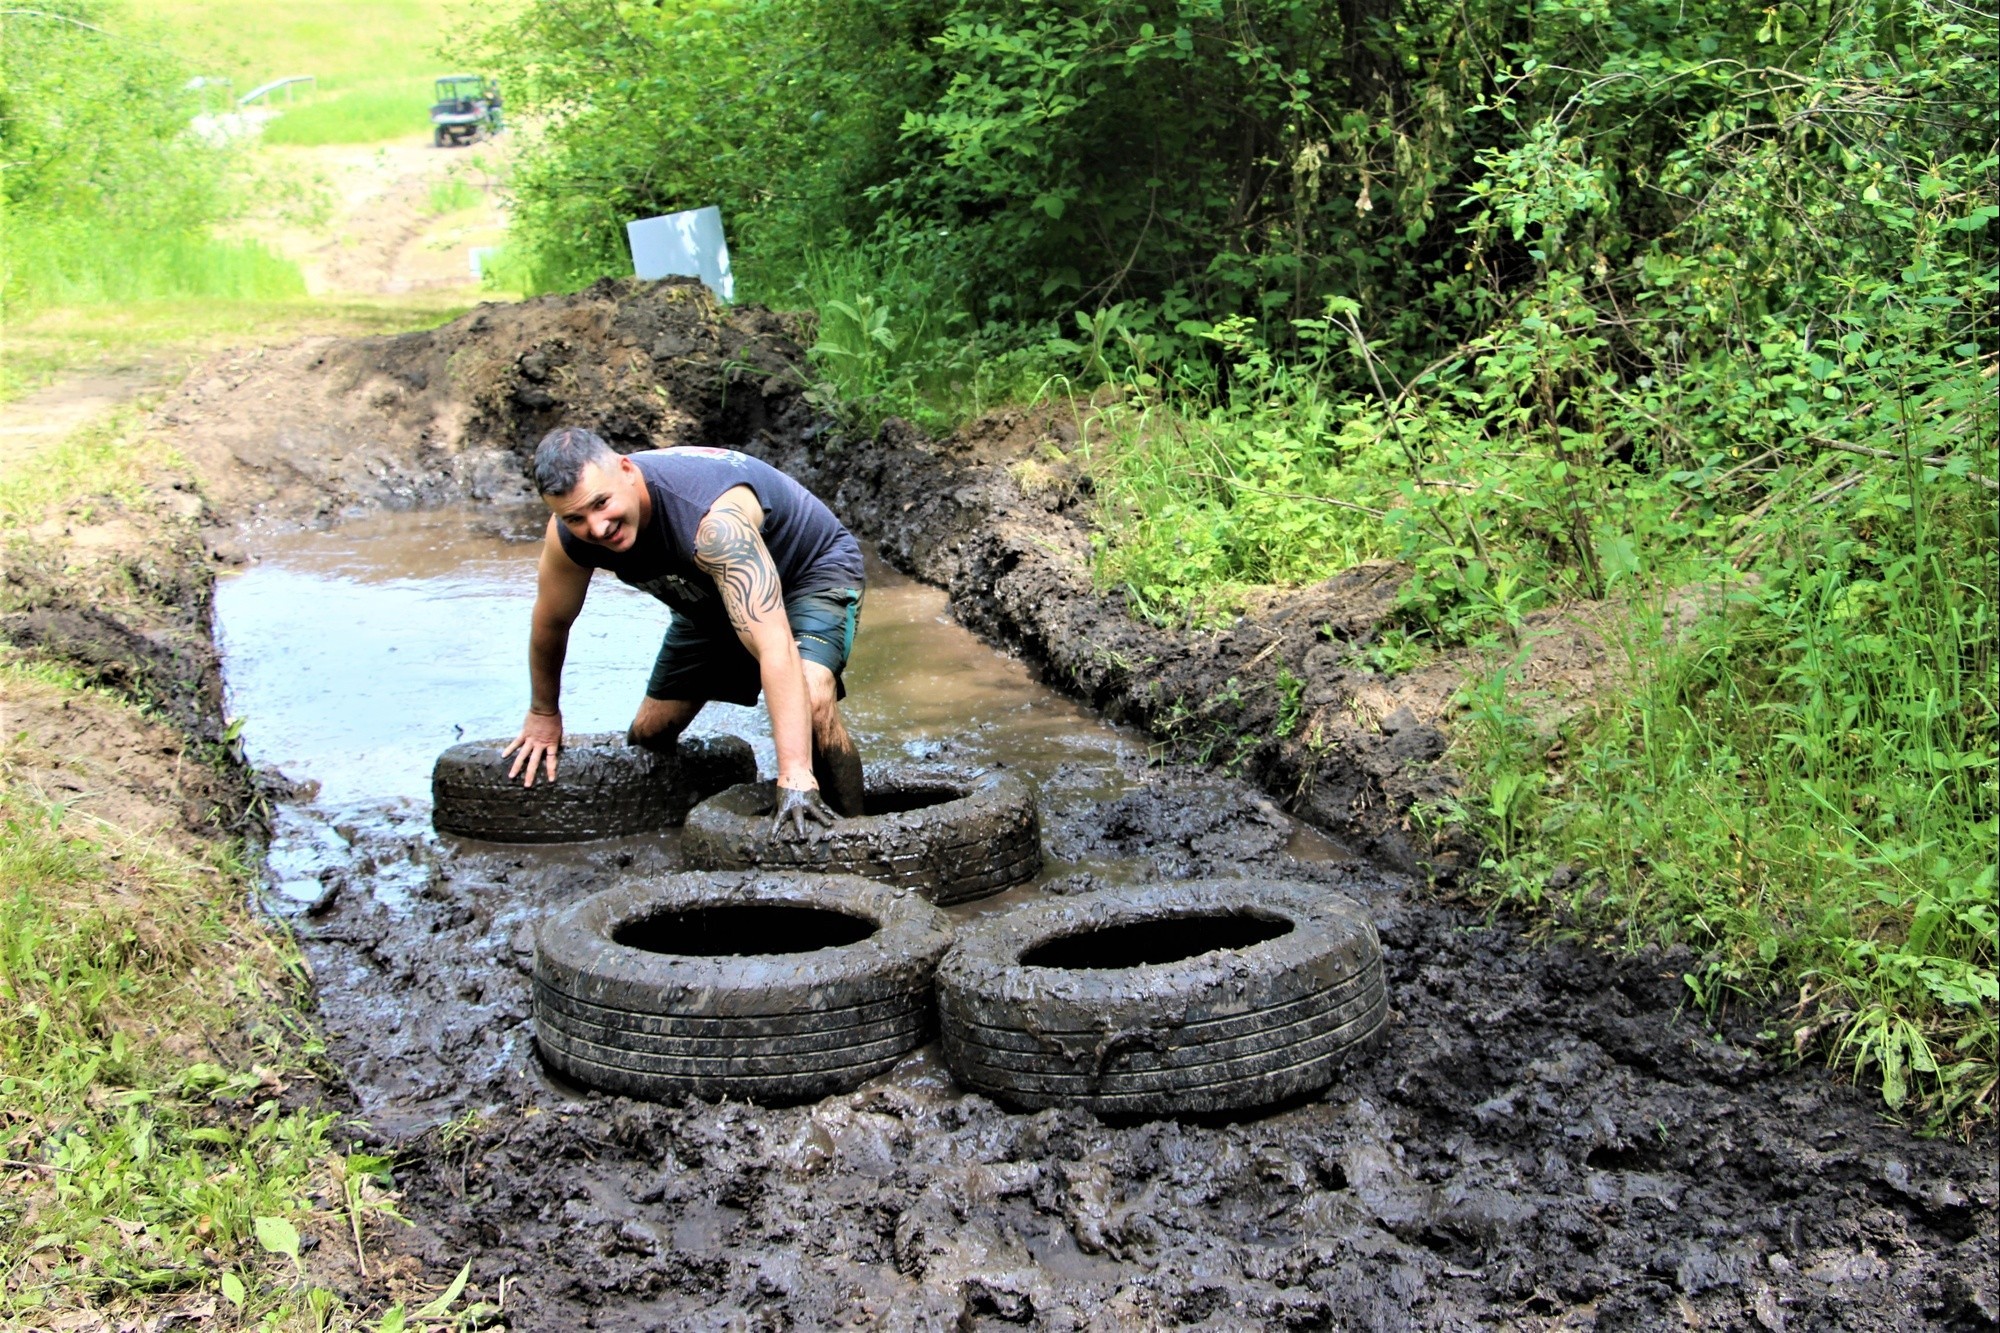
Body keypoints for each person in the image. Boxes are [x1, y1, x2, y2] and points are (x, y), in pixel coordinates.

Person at [501, 427, 865, 840]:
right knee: (650, 734)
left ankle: (857, 838)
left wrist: (795, 775)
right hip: (706, 599)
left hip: (807, 573)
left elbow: (774, 644)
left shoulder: (713, 526)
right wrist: (544, 713)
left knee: (813, 699)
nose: (597, 528)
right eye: (575, 518)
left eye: (602, 504)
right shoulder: (570, 537)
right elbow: (551, 623)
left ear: (626, 469)